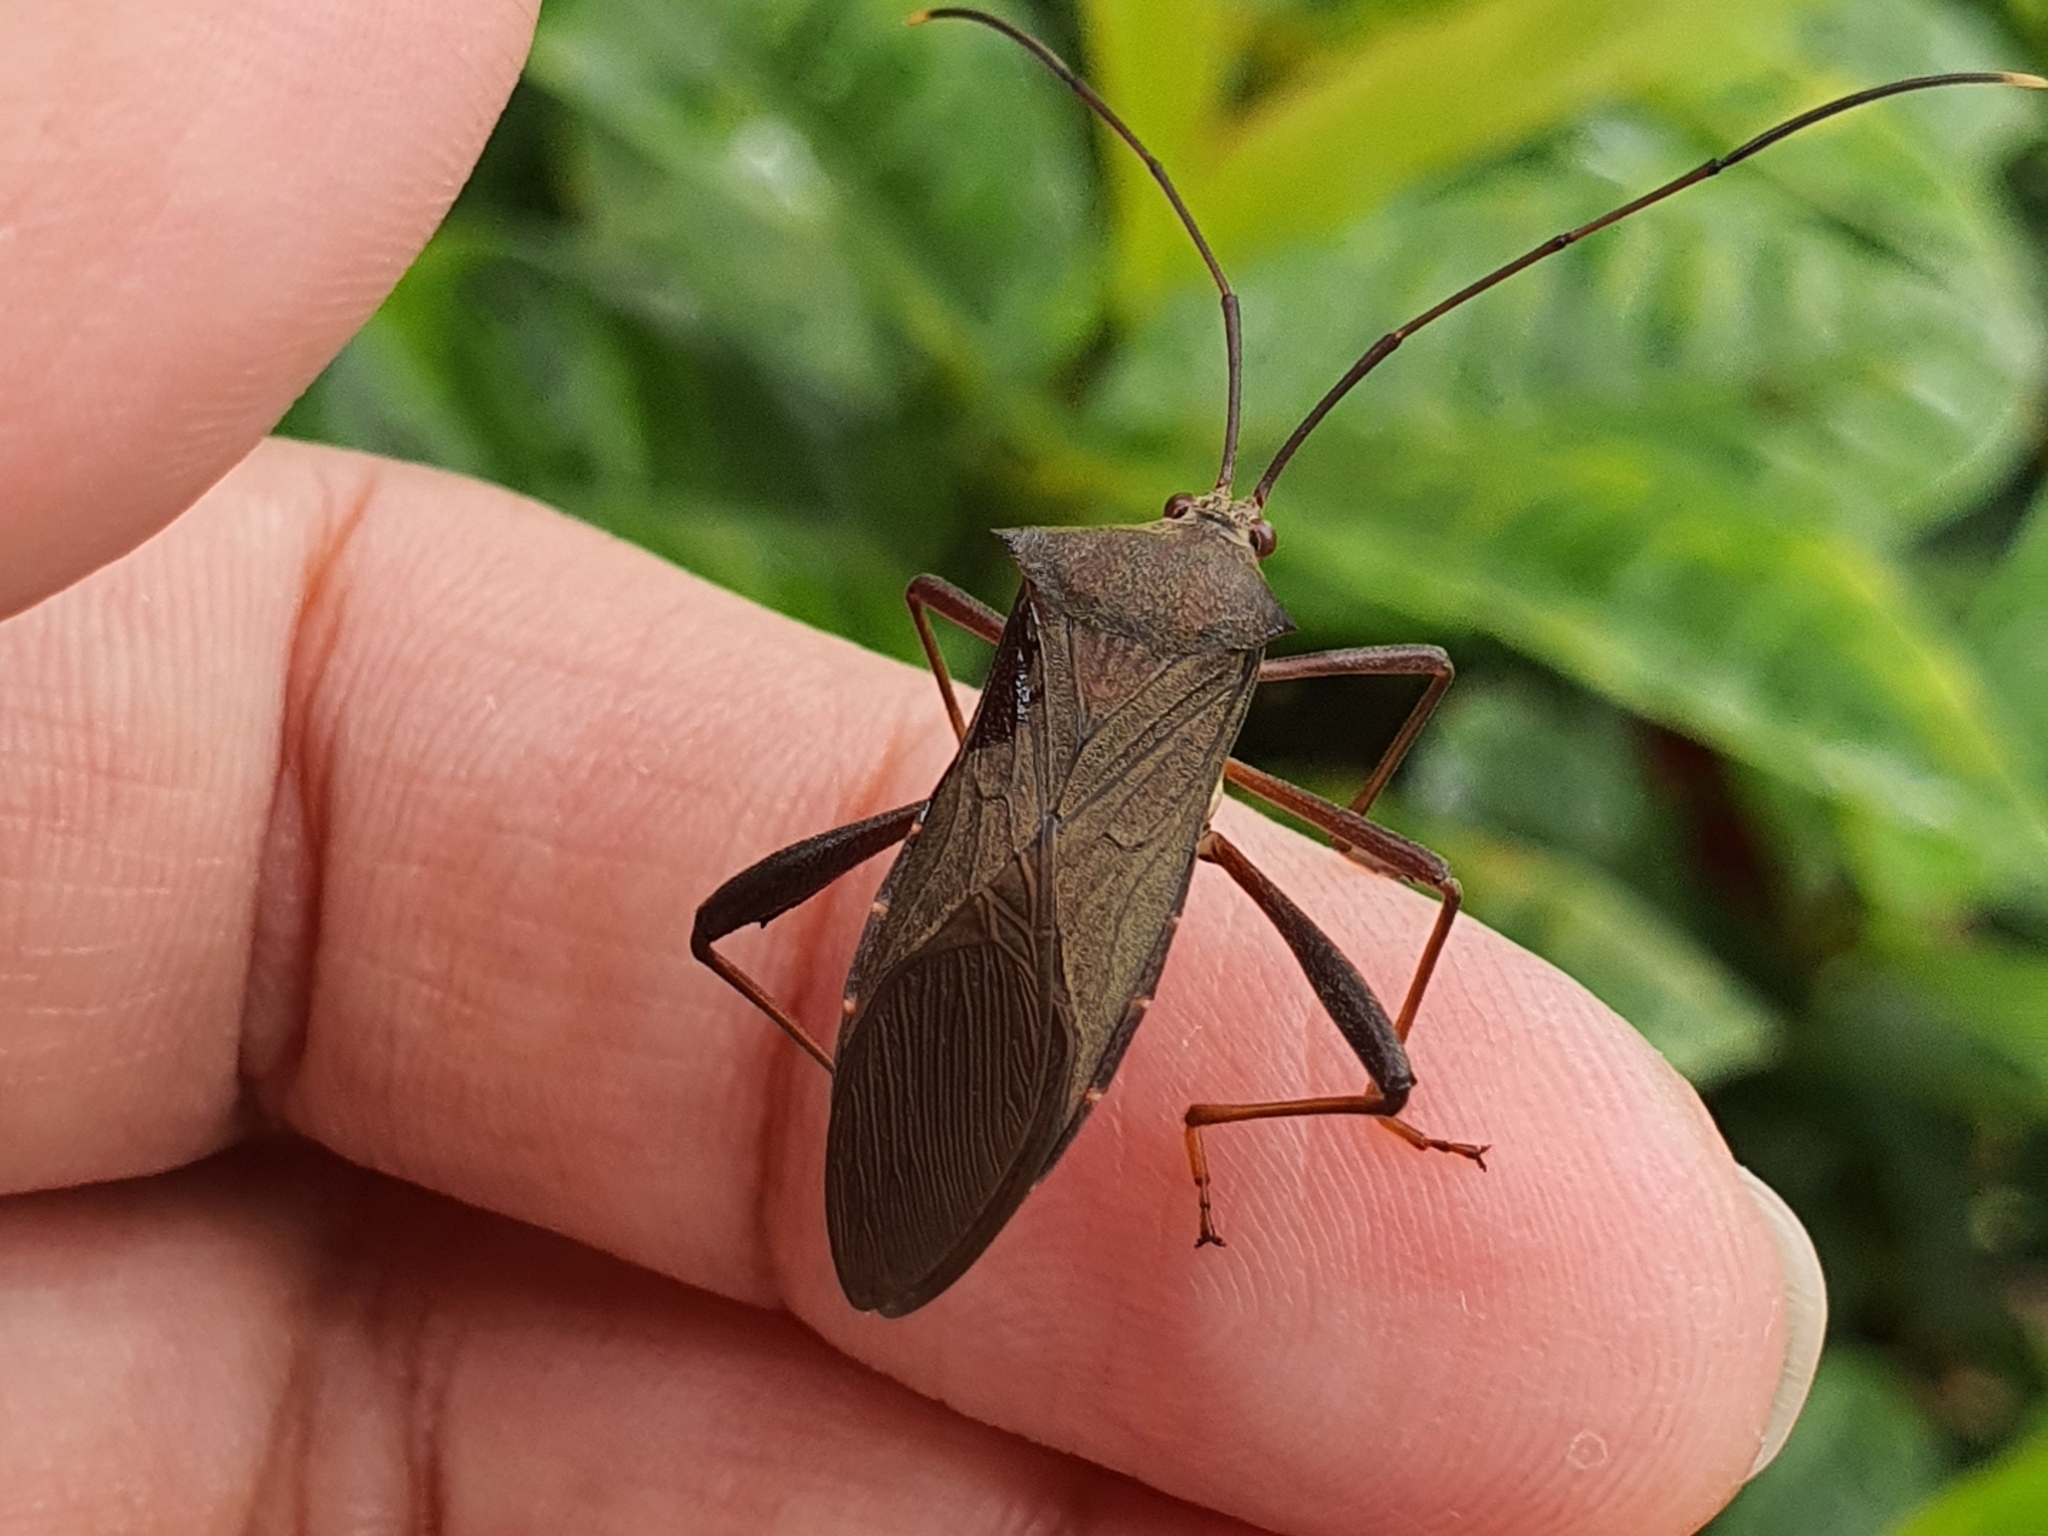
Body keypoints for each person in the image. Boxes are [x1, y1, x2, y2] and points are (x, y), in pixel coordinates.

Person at [0, 3, 1821, 1531]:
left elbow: (928, 603)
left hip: (989, 816)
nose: (1220, 520)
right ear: (1242, 594)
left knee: (732, 926)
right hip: (1144, 857)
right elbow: (1390, 702)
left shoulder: (1044, 596)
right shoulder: (1258, 647)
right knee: (1396, 998)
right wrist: (1324, 822)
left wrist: (985, 757)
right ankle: (1227, 1123)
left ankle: (946, 1061)